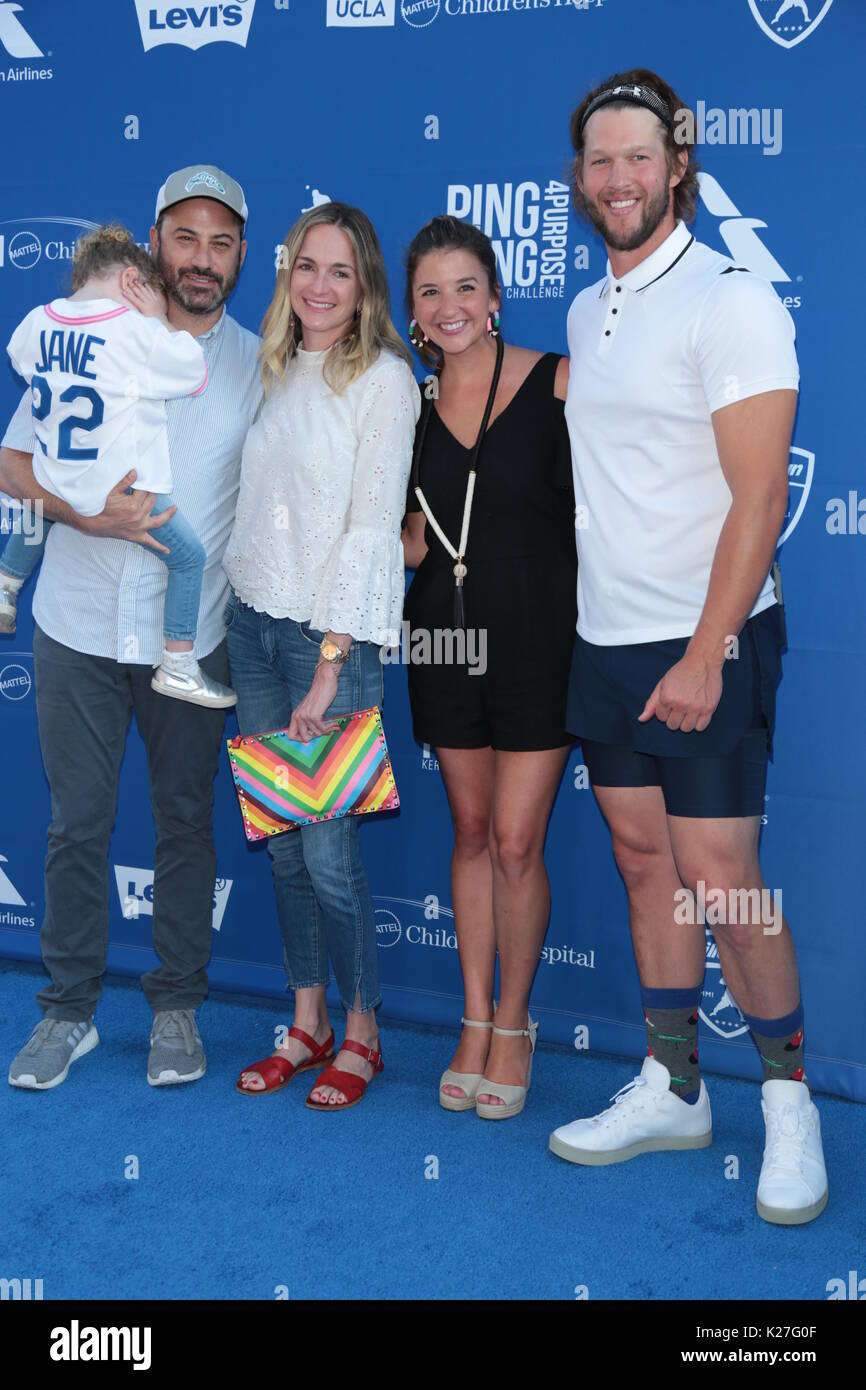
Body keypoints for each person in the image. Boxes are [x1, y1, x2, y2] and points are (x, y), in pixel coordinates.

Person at [548, 70, 828, 1226]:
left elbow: (758, 495)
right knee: (641, 863)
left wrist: (708, 649)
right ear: (580, 179)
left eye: (635, 158)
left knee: (727, 881)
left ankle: (787, 1100)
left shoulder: (731, 298)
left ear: (676, 167)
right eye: (596, 161)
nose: (616, 178)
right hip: (606, 640)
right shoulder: (581, 306)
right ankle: (673, 1082)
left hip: (706, 637)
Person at [1, 165, 261, 1090]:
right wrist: (82, 514)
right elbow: (11, 460)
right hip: (73, 626)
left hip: (188, 638)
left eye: (220, 242)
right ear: (155, 244)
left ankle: (177, 1009)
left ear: (240, 258)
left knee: (186, 824)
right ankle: (67, 1013)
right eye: (184, 238)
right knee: (78, 825)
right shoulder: (83, 336)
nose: (201, 258)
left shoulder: (257, 363)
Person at [224, 201, 419, 1110]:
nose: (320, 285)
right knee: (284, 850)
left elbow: (373, 529)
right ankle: (305, 1025)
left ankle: (364, 1033)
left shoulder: (382, 380)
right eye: (307, 265)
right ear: (287, 273)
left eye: (340, 270)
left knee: (332, 856)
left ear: (365, 284)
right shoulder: (272, 369)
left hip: (325, 644)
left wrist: (334, 662)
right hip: (254, 633)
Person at [401, 216, 576, 1119]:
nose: (449, 305)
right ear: (415, 315)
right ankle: (471, 1019)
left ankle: (514, 1023)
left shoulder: (557, 383)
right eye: (430, 292)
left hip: (542, 641)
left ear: (496, 297)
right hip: (441, 640)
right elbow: (410, 542)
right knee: (470, 834)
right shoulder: (408, 408)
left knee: (515, 840)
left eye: (465, 286)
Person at [0, 222, 236, 709]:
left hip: (58, 474)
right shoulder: (133, 329)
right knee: (188, 559)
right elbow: (192, 373)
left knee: (37, 504)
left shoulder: (37, 320)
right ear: (134, 280)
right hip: (123, 489)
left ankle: (6, 582)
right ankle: (178, 665)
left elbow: (21, 359)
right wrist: (155, 320)